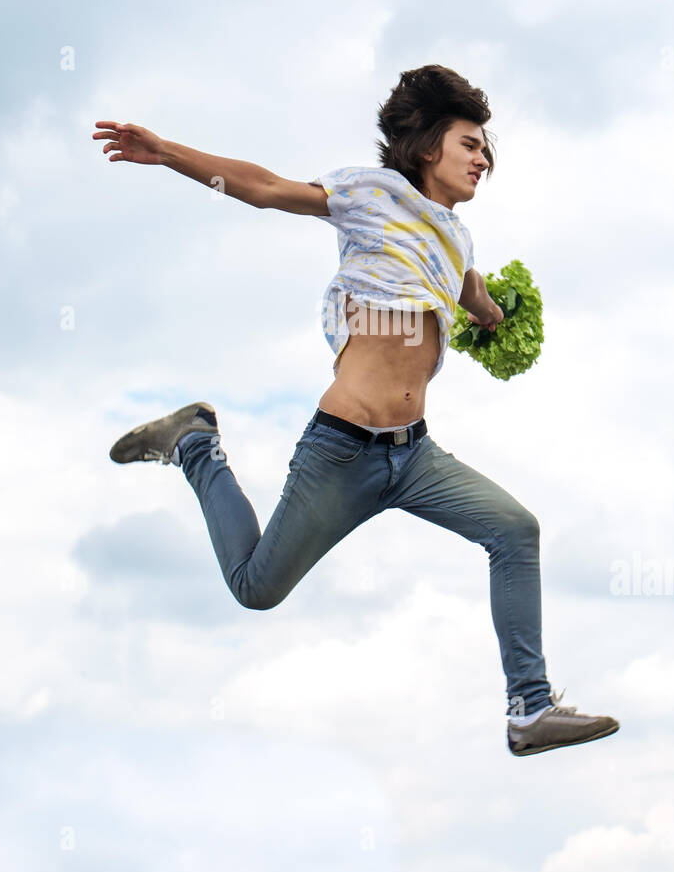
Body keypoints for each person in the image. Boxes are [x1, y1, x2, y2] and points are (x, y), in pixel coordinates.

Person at [93, 64, 619, 757]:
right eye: (470, 144)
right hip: (342, 450)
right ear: (429, 146)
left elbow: (475, 300)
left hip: (416, 455)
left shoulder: (456, 239)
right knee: (256, 588)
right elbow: (267, 189)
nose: (483, 158)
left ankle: (529, 708)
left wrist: (498, 314)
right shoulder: (373, 195)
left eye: (487, 149)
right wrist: (167, 154)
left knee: (516, 531)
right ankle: (195, 443)